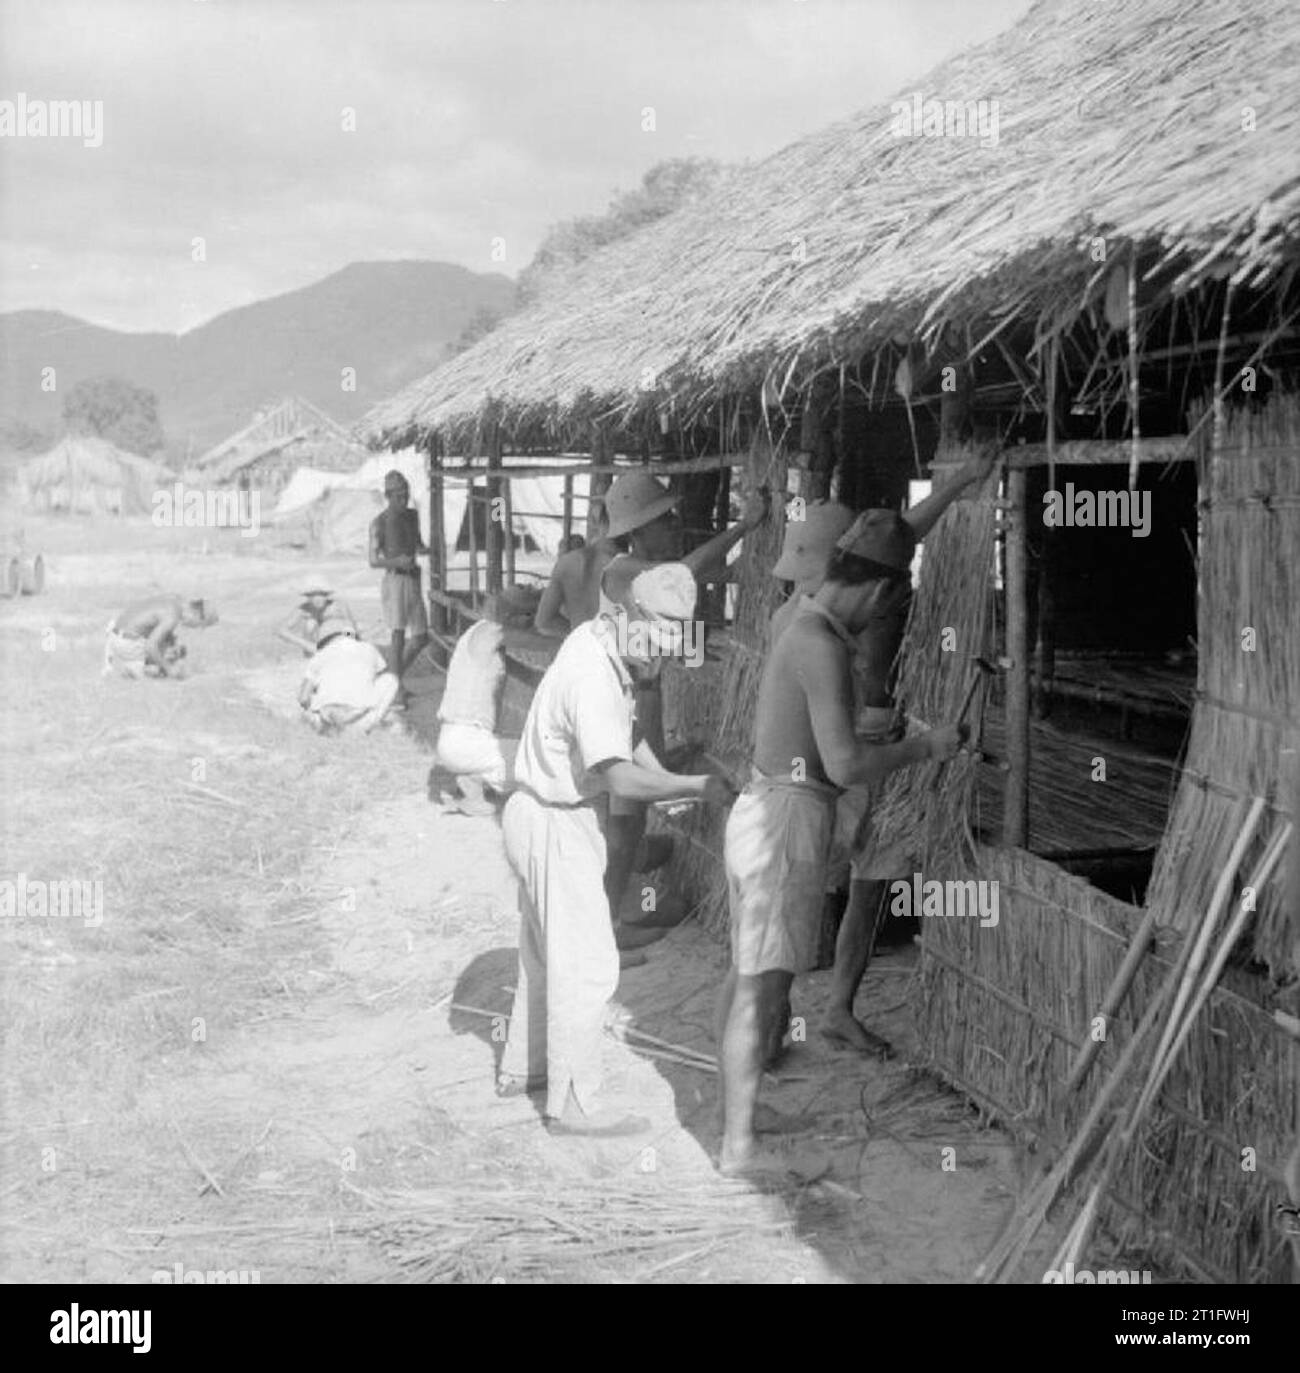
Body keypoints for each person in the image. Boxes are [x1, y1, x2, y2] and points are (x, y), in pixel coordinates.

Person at [717, 513, 967, 1176]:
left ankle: (739, 1114)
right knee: (760, 984)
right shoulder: (821, 643)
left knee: (759, 974)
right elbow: (847, 761)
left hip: (772, 807)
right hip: (786, 821)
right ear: (883, 594)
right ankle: (735, 1147)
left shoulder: (801, 617)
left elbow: (892, 532)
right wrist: (925, 747)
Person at [497, 562, 735, 1137]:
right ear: (631, 617)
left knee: (544, 953)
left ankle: (524, 1069)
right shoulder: (594, 676)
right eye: (657, 645)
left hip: (537, 813)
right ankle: (572, 1106)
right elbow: (623, 780)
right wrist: (696, 788)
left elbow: (627, 742)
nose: (660, 659)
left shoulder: (596, 641)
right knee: (586, 965)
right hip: (558, 821)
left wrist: (673, 776)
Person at [813, 453, 995, 1056]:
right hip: (864, 739)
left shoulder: (841, 578)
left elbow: (906, 529)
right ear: (884, 578)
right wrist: (917, 741)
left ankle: (830, 1005)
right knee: (856, 875)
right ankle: (821, 1009)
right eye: (904, 569)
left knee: (850, 877)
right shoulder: (869, 598)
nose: (911, 574)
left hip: (860, 733)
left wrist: (964, 481)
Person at [433, 588, 534, 814]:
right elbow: (538, 642)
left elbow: (528, 674)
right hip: (465, 740)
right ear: (513, 616)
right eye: (527, 617)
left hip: (458, 739)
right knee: (534, 756)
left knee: (519, 748)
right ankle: (474, 781)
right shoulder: (490, 632)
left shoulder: (480, 636)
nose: (529, 623)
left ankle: (472, 781)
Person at [369, 470, 429, 683]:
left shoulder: (413, 516)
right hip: (395, 580)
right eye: (398, 496)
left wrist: (428, 550)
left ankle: (391, 678)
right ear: (388, 496)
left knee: (422, 637)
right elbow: (373, 561)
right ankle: (395, 688)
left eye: (406, 495)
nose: (403, 500)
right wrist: (396, 562)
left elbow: (419, 544)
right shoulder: (379, 522)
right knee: (398, 635)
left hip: (413, 579)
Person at [297, 613, 400, 734]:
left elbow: (303, 699)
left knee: (313, 698)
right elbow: (374, 678)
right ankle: (369, 724)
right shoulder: (369, 648)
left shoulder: (320, 655)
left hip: (328, 716)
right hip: (359, 718)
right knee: (391, 679)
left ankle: (323, 723)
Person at [103, 596, 217, 679]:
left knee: (173, 648)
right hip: (126, 643)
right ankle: (133, 669)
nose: (194, 628)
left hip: (113, 635)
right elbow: (151, 646)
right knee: (165, 669)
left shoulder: (175, 601)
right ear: (196, 615)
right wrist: (169, 669)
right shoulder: (172, 616)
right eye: (200, 626)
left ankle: (130, 665)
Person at [280, 587, 355, 654]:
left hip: (339, 638)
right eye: (313, 595)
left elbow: (350, 626)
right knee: (310, 624)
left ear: (326, 595)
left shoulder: (337, 606)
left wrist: (350, 641)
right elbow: (281, 630)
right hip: (318, 643)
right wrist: (306, 644)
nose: (318, 599)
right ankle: (311, 656)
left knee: (344, 627)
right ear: (308, 597)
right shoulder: (304, 609)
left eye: (321, 595)